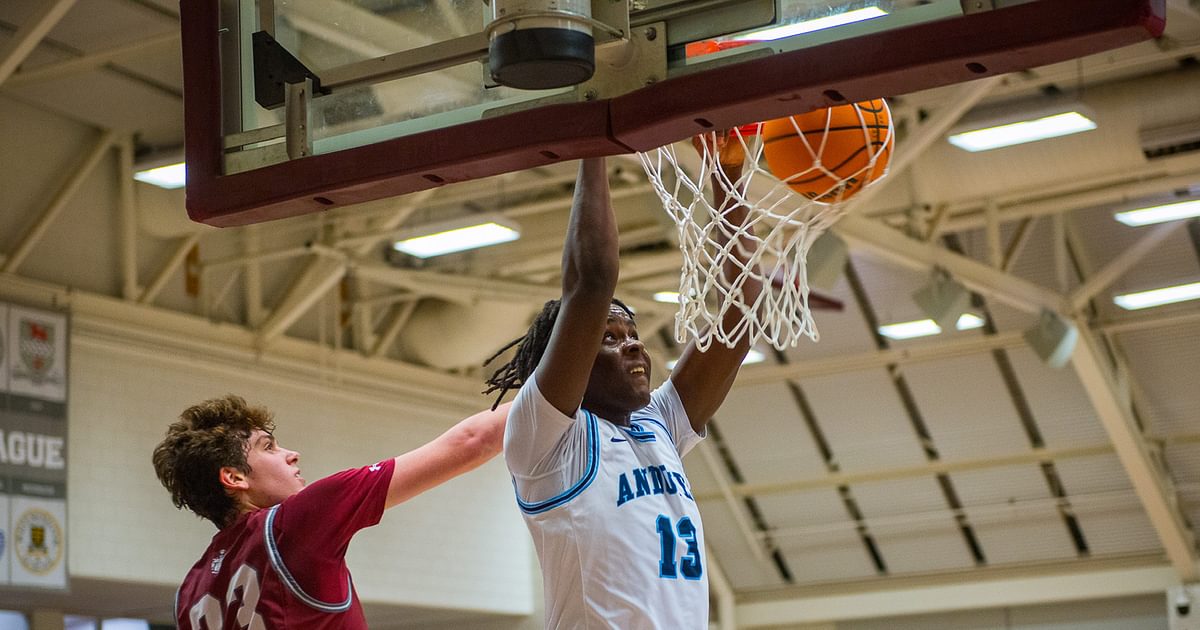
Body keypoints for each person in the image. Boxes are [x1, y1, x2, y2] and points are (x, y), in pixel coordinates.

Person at [483, 136, 758, 629]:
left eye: (632, 334)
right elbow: (591, 282)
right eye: (608, 338)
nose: (632, 345)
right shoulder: (545, 441)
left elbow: (741, 315)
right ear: (568, 354)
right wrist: (595, 140)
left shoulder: (656, 424)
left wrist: (728, 170)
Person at [152, 394, 509, 629]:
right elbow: (473, 442)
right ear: (234, 477)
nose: (291, 454)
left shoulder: (189, 593)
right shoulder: (293, 522)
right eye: (269, 447)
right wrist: (557, 378)